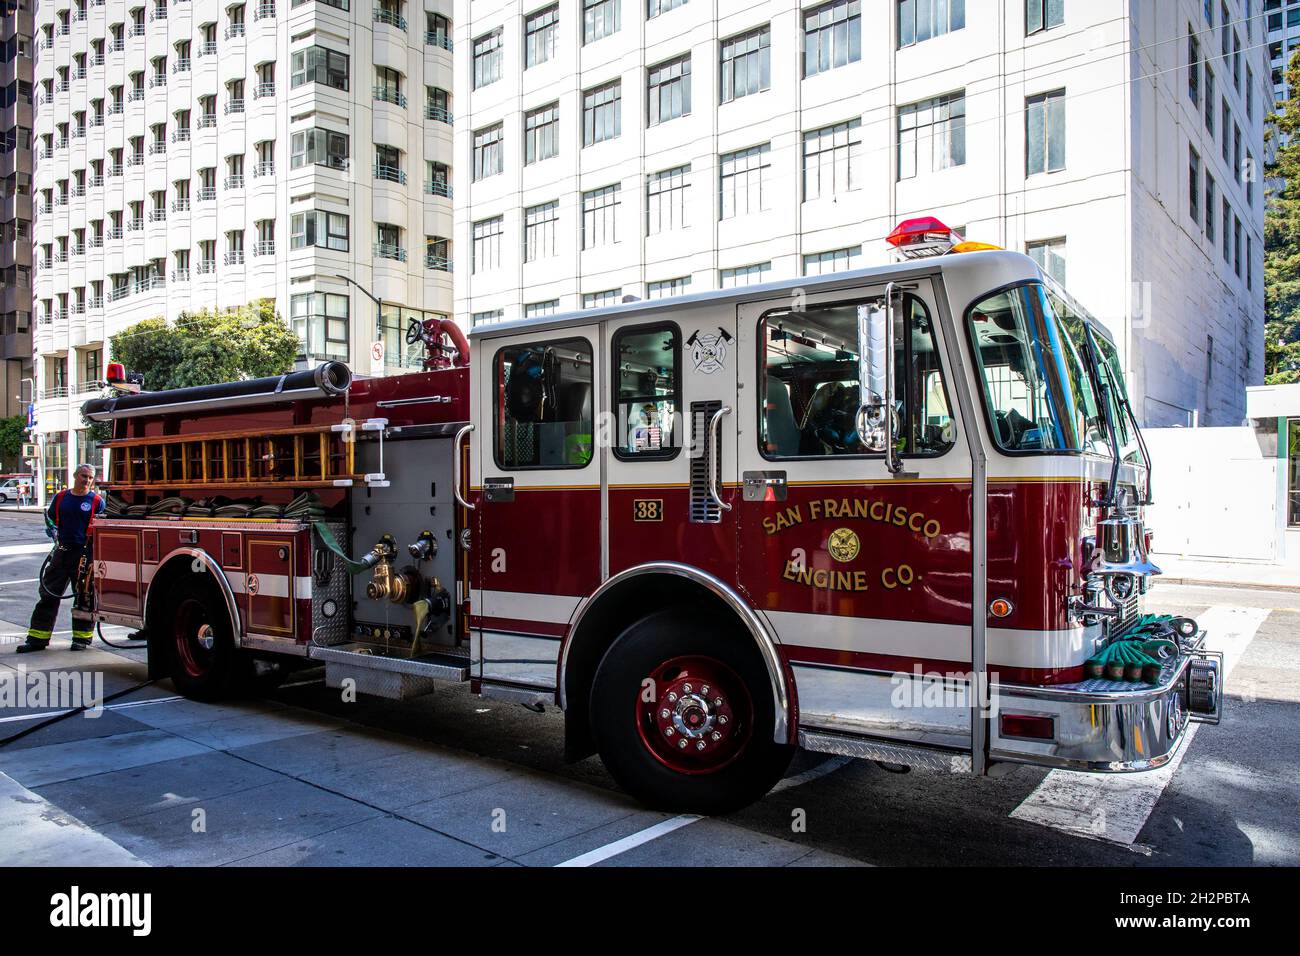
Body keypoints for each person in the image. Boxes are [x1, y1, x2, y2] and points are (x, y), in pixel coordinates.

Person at [16, 464, 105, 653]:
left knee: (83, 597)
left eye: (90, 477)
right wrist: (51, 529)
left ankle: (81, 640)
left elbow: (102, 528)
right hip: (61, 553)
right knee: (48, 595)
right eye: (83, 476)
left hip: (84, 555)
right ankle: (37, 639)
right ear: (74, 475)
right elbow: (50, 518)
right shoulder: (61, 497)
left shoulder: (97, 501)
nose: (87, 480)